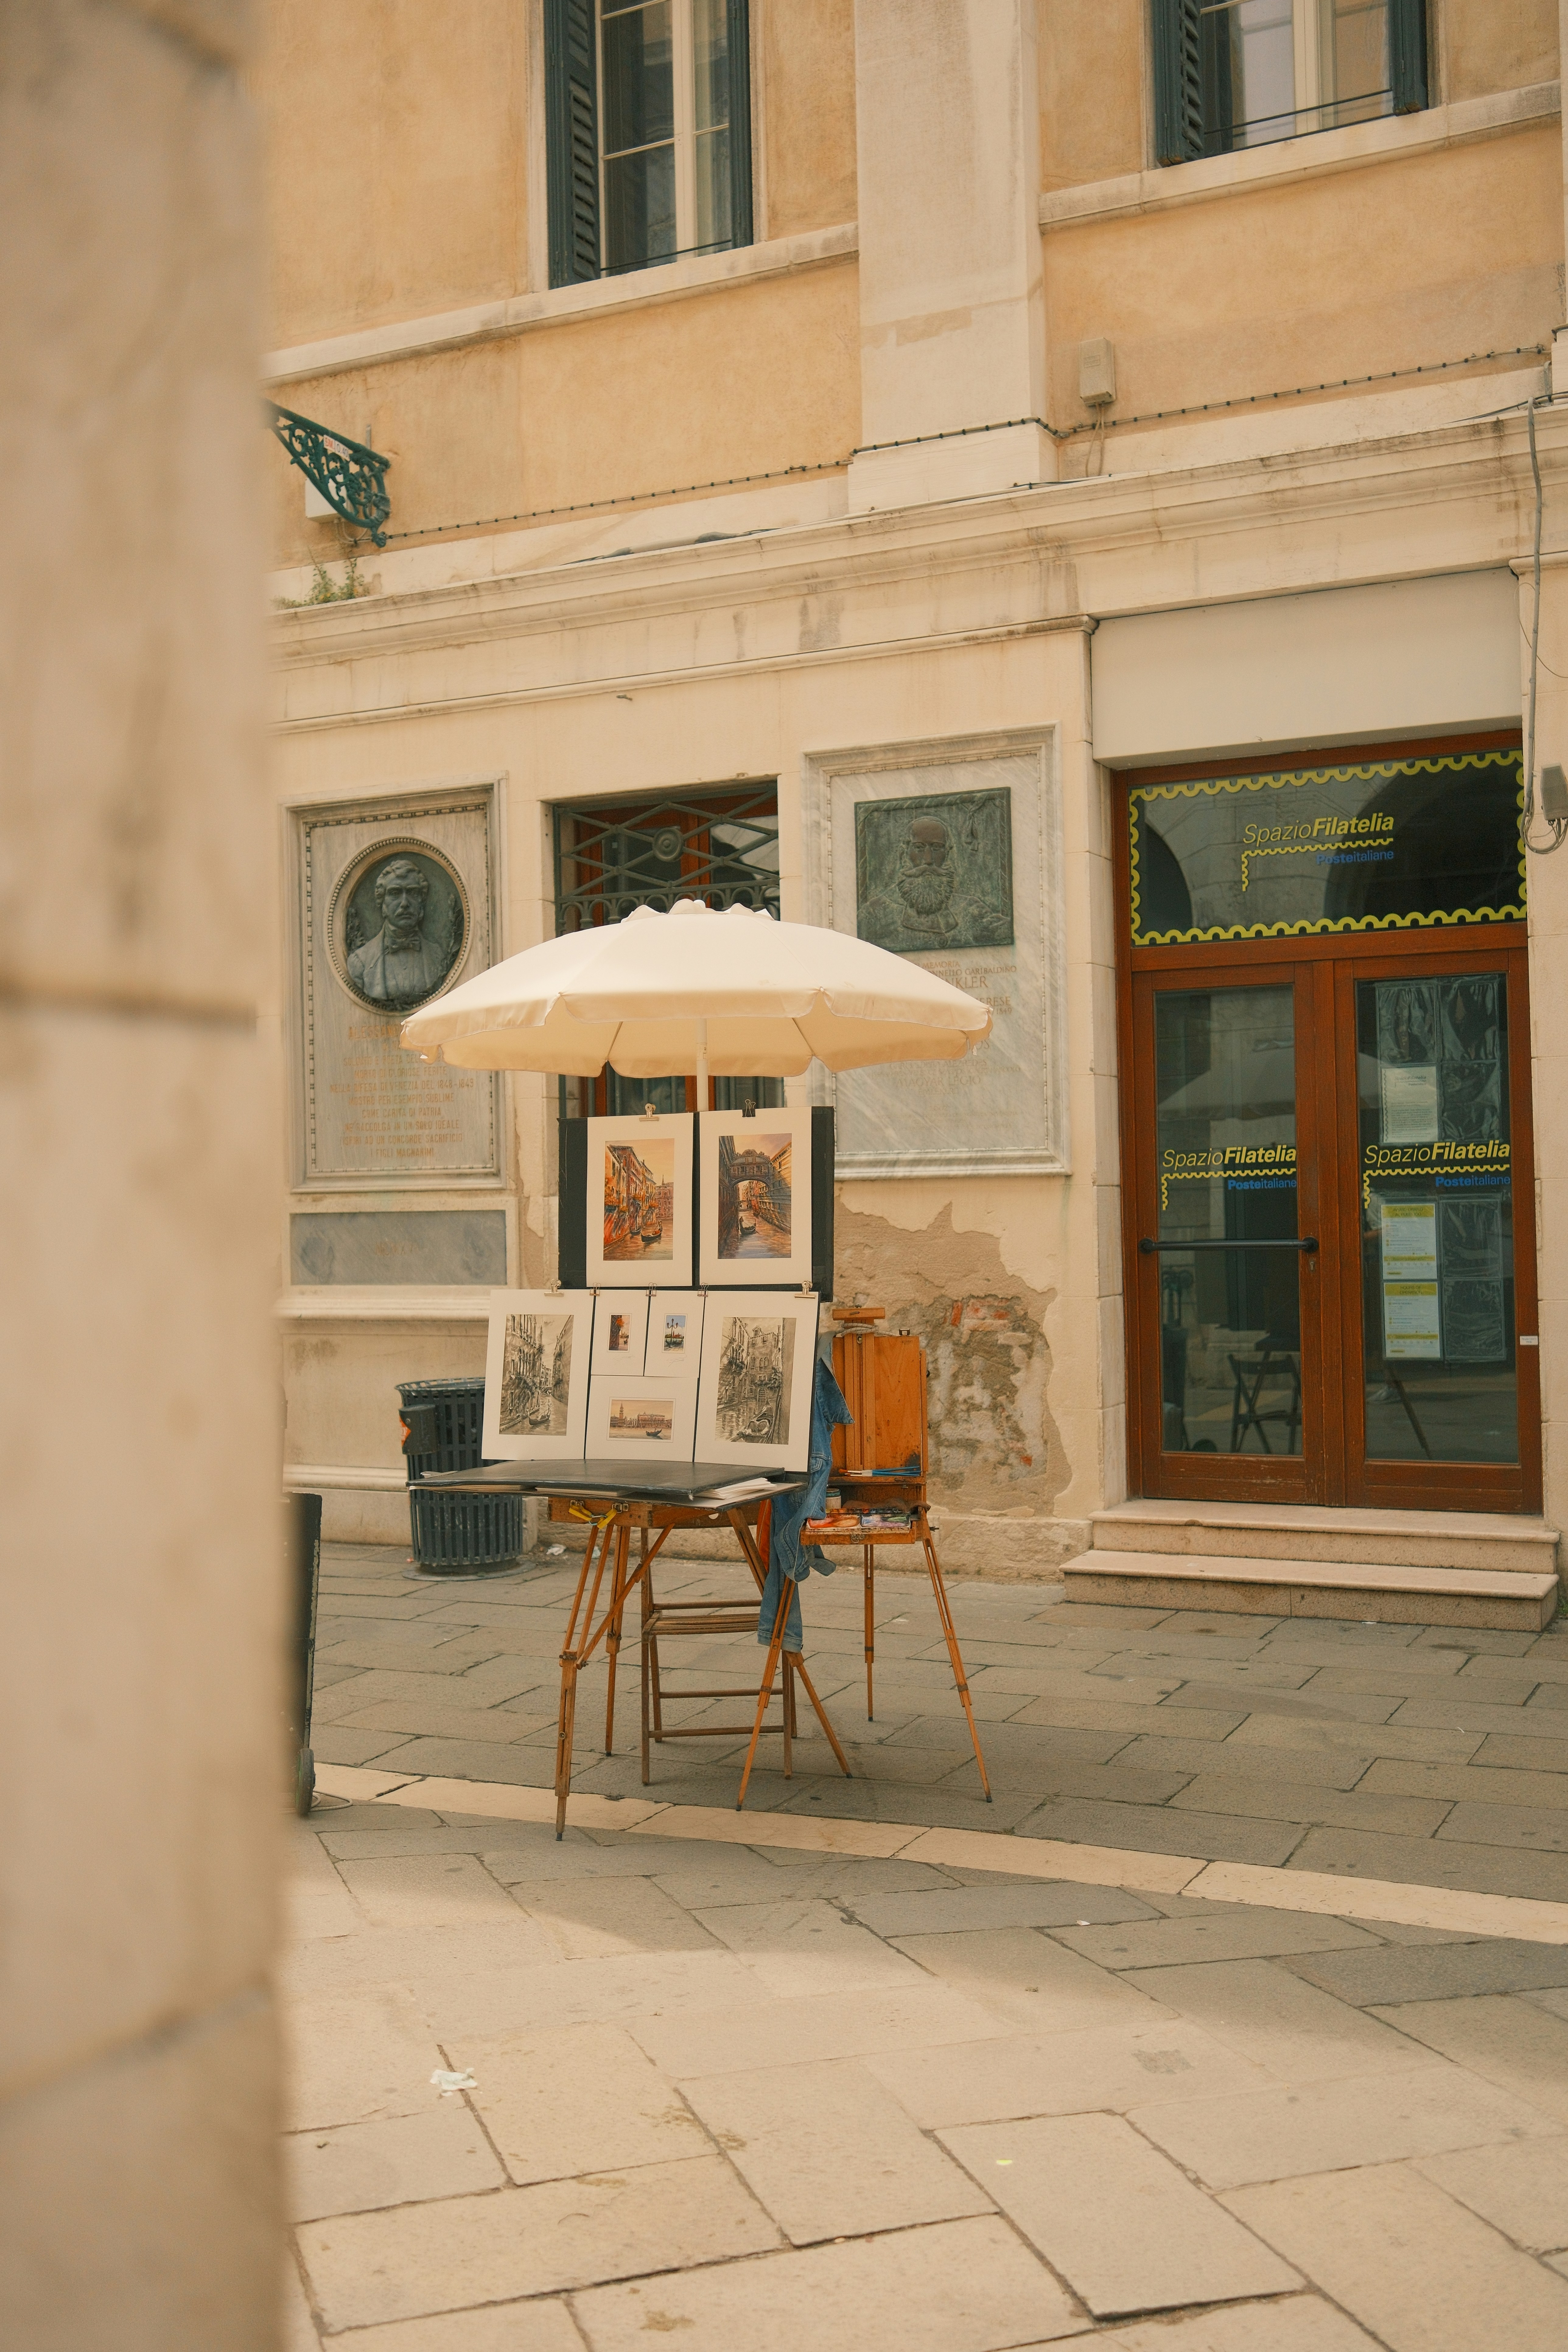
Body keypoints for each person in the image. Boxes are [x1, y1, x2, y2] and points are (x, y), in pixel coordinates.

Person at [347, 855, 453, 1005]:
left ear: (422, 903)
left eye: (413, 893)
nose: (405, 903)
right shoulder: (360, 963)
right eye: (395, 893)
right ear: (382, 903)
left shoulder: (439, 957)